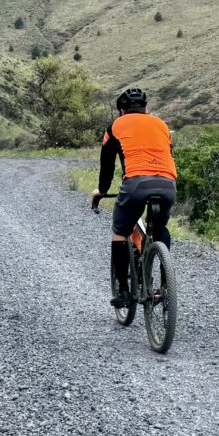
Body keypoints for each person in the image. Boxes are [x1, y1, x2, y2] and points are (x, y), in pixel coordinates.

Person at [91, 87, 176, 308]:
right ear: (146, 108)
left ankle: (123, 291)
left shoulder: (116, 126)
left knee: (120, 232)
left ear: (121, 110)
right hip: (167, 184)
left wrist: (101, 190)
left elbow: (107, 164)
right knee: (158, 228)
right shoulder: (162, 125)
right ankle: (166, 287)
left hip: (136, 184)